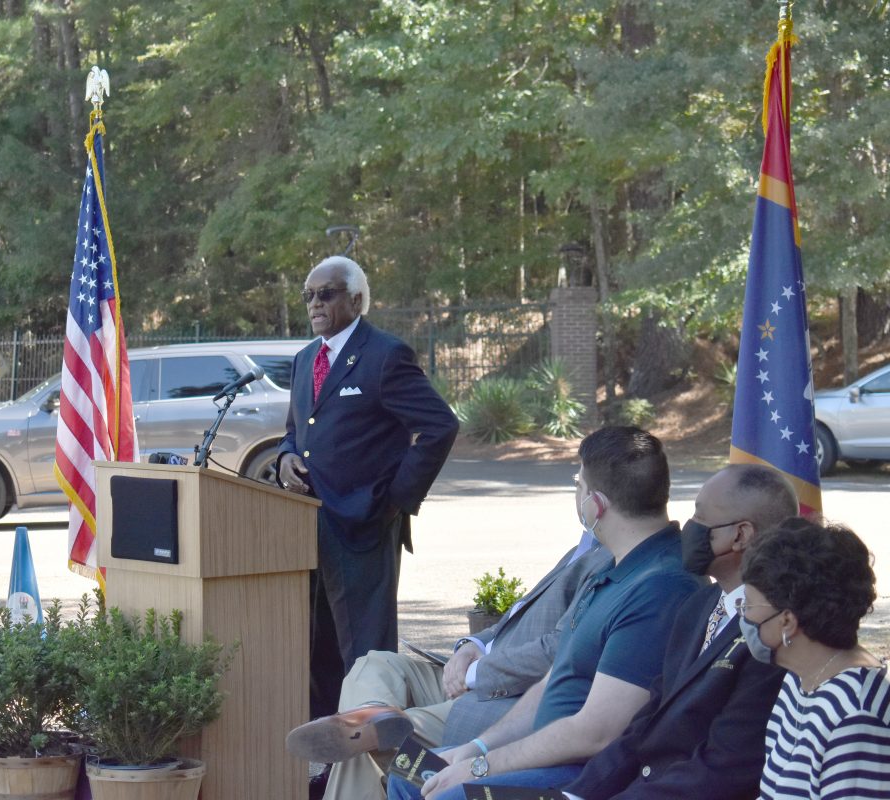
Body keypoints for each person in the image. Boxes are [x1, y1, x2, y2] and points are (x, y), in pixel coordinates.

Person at [388, 426, 703, 800]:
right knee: (408, 774)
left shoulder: (660, 587)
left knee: (445, 794)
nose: (577, 494)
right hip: (547, 758)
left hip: (583, 777)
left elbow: (596, 732)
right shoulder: (609, 567)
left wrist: (478, 769)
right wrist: (476, 751)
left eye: (578, 483)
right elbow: (552, 682)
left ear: (595, 504)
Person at [286, 527, 612, 800]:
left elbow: (557, 651)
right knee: (374, 663)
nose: (576, 486)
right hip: (475, 671)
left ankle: (373, 730)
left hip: (502, 698)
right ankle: (374, 715)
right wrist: (472, 644)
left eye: (580, 480)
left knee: (361, 755)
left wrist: (474, 672)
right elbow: (513, 619)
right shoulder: (581, 547)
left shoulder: (609, 561)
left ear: (597, 498)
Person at [278, 256, 459, 721]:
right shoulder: (304, 360)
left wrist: (396, 499)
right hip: (309, 529)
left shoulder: (384, 355)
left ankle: (369, 765)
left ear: (356, 299)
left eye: (327, 293)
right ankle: (324, 762)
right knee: (315, 650)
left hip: (363, 527)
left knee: (365, 657)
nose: (315, 304)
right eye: (309, 295)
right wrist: (284, 458)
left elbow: (438, 427)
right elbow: (295, 431)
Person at [563, 463, 797, 800]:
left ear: (741, 535)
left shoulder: (773, 635)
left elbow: (725, 768)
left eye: (701, 517)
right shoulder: (698, 607)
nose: (689, 528)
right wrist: (578, 794)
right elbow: (646, 724)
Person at [740, 517, 890, 800]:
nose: (743, 616)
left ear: (787, 621)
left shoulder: (855, 715)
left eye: (747, 605)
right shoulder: (799, 680)